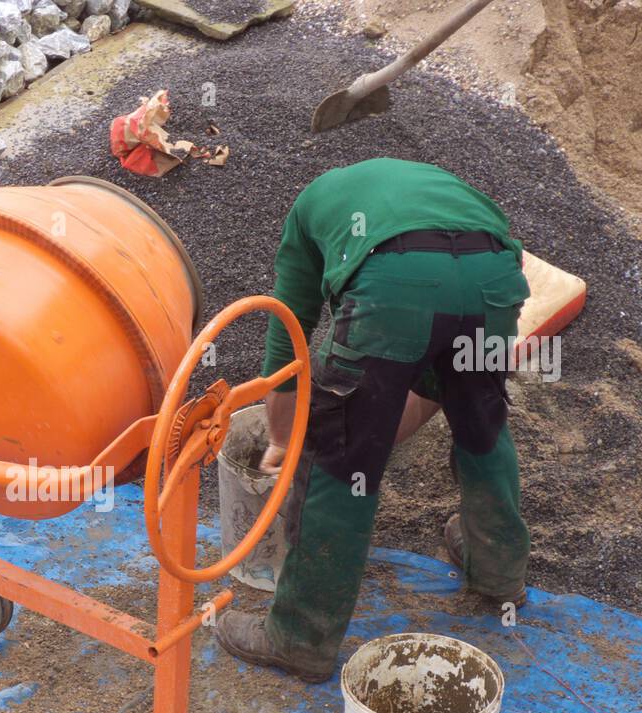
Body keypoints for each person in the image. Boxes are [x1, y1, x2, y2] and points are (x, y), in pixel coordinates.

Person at [214, 158, 532, 682]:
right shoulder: (442, 187)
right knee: (483, 423)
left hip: (395, 284)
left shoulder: (308, 211)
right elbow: (436, 382)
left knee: (338, 461)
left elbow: (287, 331)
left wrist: (287, 440)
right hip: (493, 279)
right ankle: (498, 572)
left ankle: (299, 638)